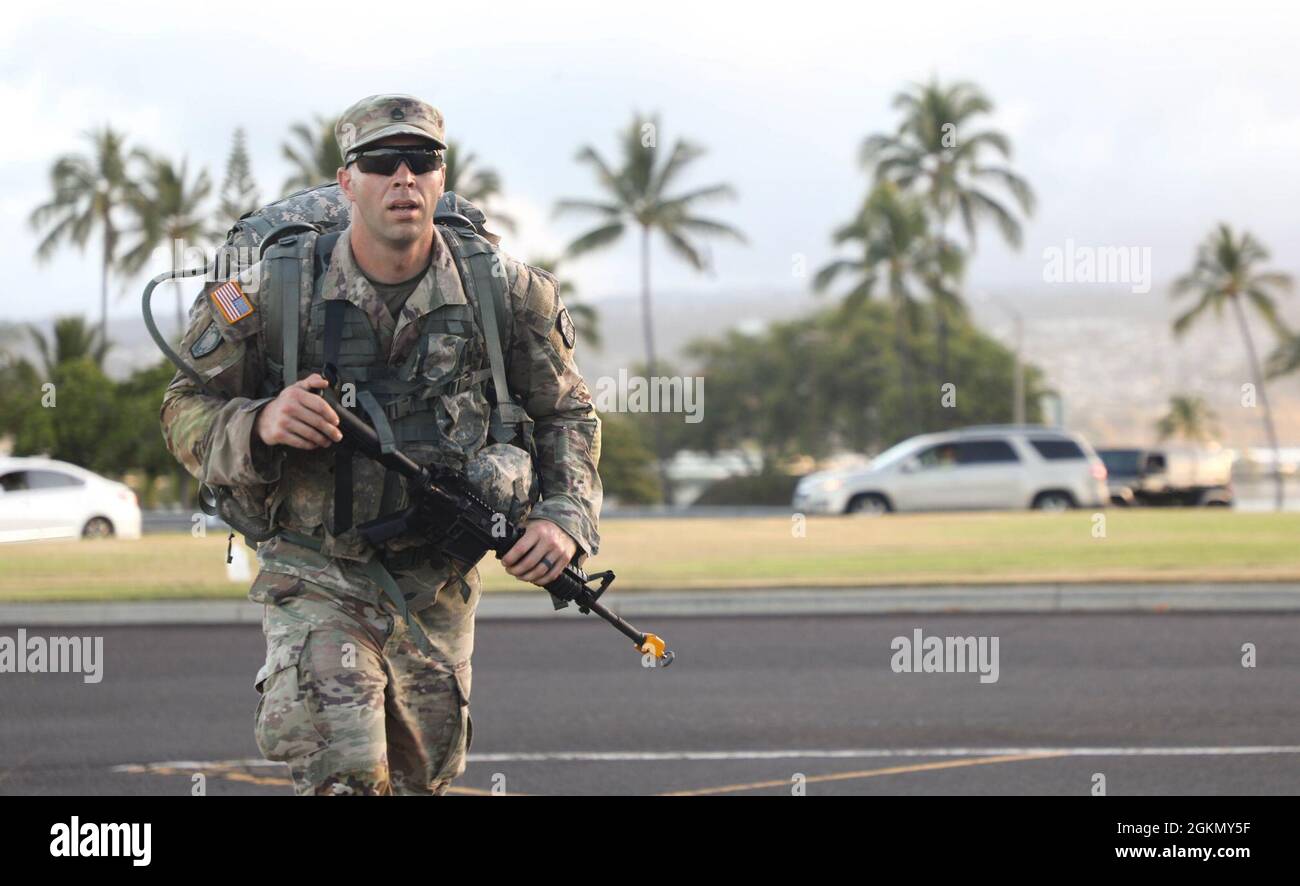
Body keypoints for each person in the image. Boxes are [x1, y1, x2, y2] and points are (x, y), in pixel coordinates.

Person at [160, 94, 602, 795]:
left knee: (423, 775)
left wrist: (563, 518)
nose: (403, 177)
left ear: (441, 175)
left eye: (421, 160)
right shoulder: (273, 293)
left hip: (437, 582)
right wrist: (259, 422)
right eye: (380, 162)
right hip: (317, 571)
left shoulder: (510, 296)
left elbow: (567, 415)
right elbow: (183, 409)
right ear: (347, 182)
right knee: (350, 776)